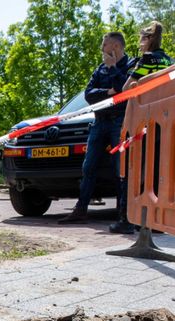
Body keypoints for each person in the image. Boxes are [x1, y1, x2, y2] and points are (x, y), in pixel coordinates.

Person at [109, 21, 175, 234]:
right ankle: (155, 222)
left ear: (148, 40)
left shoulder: (147, 59)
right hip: (164, 120)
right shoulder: (169, 60)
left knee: (133, 169)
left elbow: (127, 88)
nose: (139, 44)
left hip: (143, 121)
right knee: (157, 170)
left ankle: (128, 219)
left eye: (141, 40)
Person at [58, 32, 130, 225]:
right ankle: (81, 209)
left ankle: (123, 213)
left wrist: (113, 68)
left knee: (119, 168)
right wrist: (108, 92)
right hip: (99, 121)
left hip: (119, 122)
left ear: (115, 47)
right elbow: (89, 95)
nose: (101, 49)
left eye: (104, 44)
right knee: (88, 166)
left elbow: (123, 89)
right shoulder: (99, 69)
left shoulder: (131, 66)